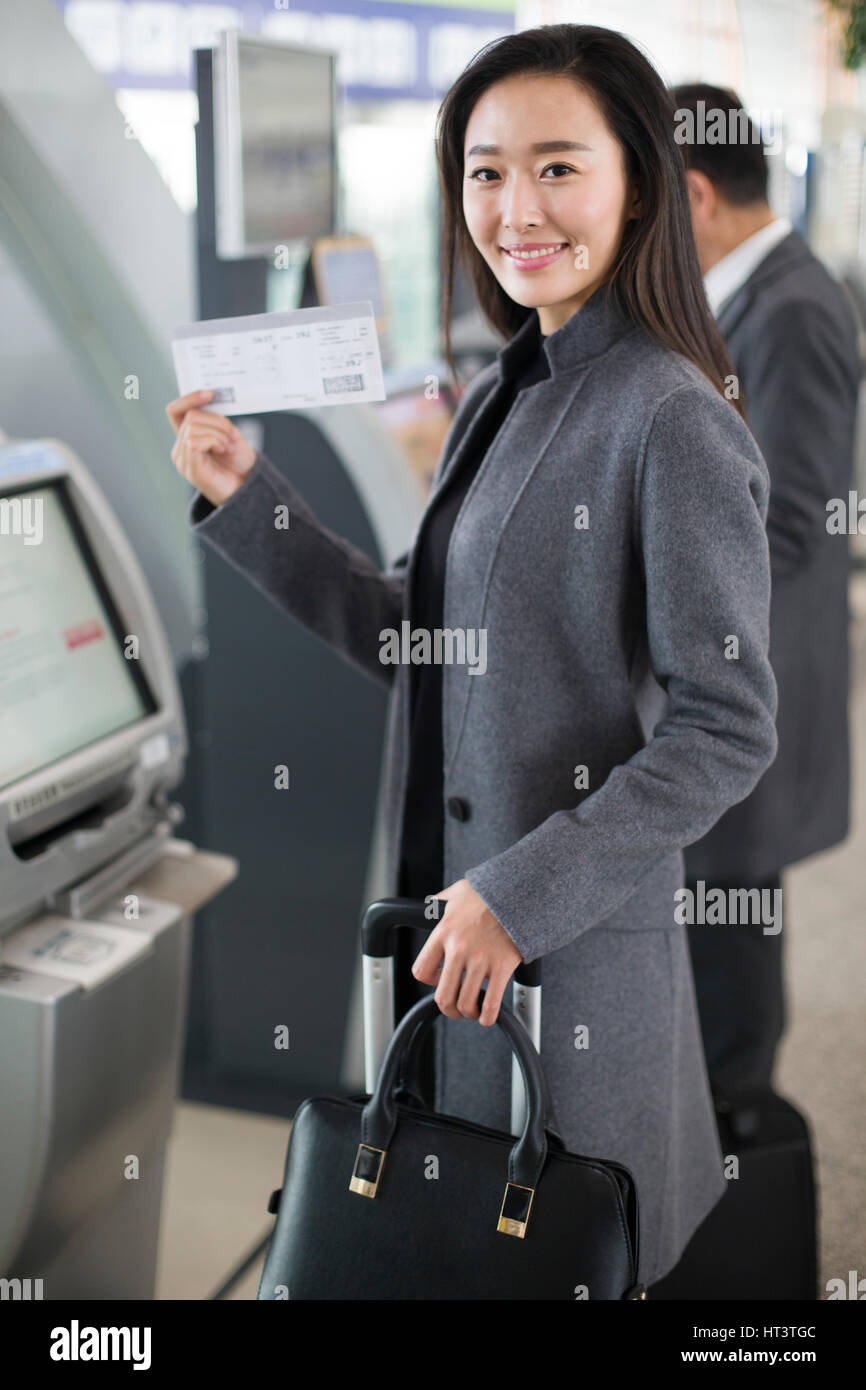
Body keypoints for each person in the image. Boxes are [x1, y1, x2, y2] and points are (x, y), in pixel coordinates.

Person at [166, 25, 778, 1291]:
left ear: (640, 182)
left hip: (567, 970)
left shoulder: (668, 413)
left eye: (557, 167)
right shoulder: (512, 384)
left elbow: (726, 727)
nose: (516, 209)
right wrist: (251, 500)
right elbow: (421, 642)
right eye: (486, 172)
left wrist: (520, 890)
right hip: (455, 961)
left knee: (549, 1258)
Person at [671, 82, 860, 1092]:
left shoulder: (789, 309)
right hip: (734, 670)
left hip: (752, 681)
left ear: (695, 195)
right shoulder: (745, 293)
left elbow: (786, 523)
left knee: (730, 938)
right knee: (711, 933)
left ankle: (736, 1168)